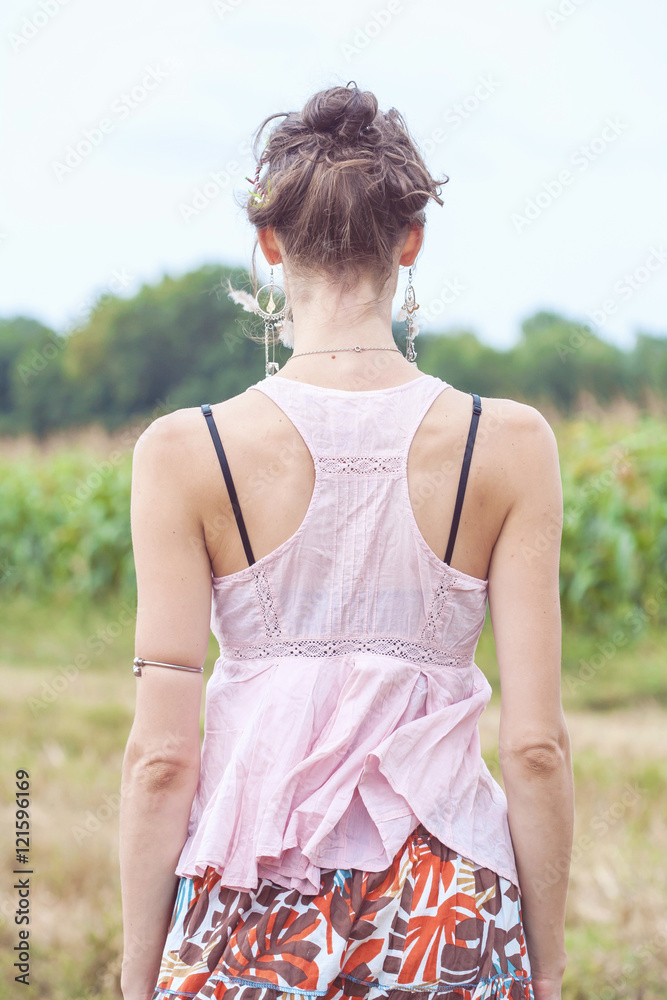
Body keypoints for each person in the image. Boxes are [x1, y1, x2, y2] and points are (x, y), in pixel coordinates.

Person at [119, 82, 574, 1000]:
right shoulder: (511, 443)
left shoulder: (182, 452)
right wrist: (545, 959)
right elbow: (536, 748)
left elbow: (161, 757)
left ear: (270, 246)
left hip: (247, 904)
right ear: (409, 243)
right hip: (449, 906)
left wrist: (139, 972)